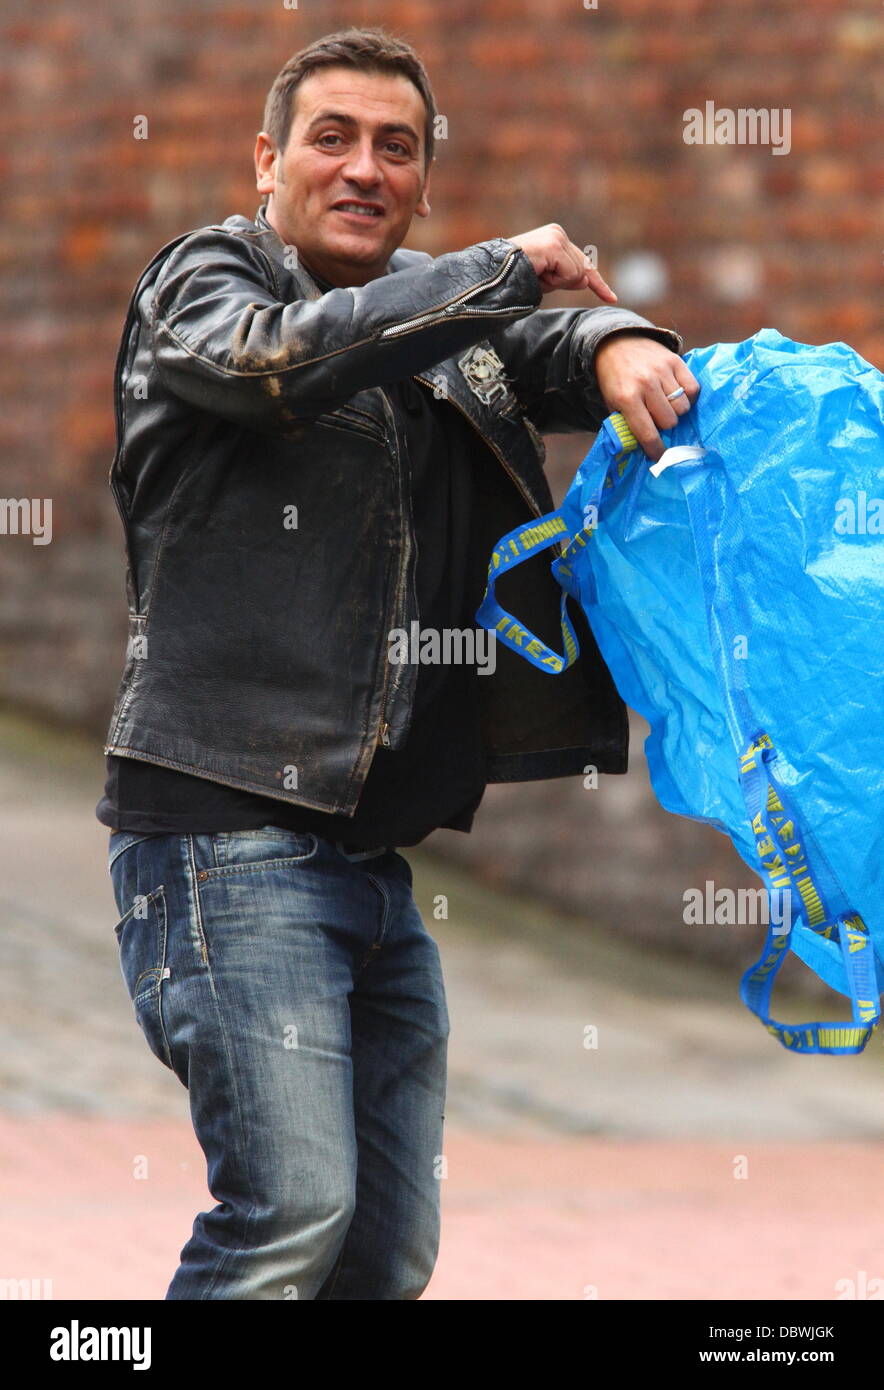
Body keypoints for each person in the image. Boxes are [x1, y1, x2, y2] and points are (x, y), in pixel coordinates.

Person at [99, 25, 698, 1300]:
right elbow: (276, 365)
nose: (364, 168)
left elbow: (524, 348)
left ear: (423, 180)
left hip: (370, 864)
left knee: (383, 1253)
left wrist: (613, 340)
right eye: (332, 139)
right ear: (266, 159)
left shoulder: (433, 318)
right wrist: (501, 267)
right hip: (222, 836)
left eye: (396, 148)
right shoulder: (200, 286)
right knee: (289, 1213)